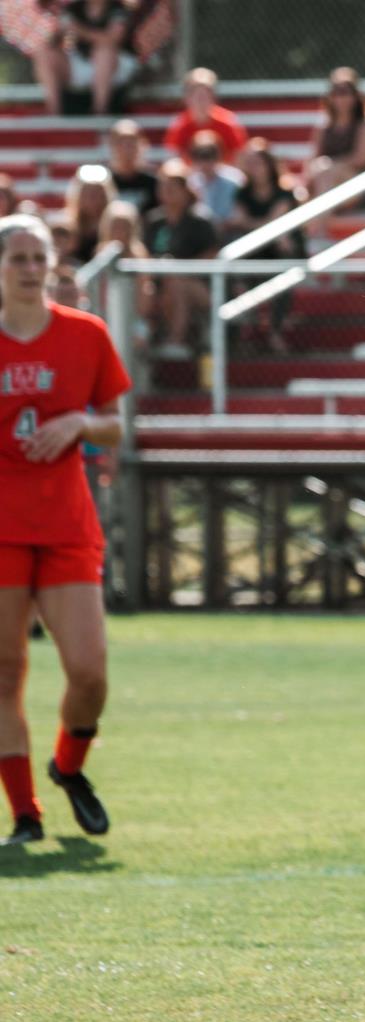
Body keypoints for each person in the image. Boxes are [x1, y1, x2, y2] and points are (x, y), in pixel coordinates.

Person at [0, 213, 132, 848]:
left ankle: (69, 767)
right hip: (1, 526)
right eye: (17, 258)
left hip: (66, 523)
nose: (29, 269)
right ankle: (26, 815)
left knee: (90, 671)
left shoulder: (85, 335)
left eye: (37, 257)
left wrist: (78, 424)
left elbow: (115, 424)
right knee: (5, 671)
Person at [228, 140, 304, 351]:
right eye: (250, 163)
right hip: (257, 249)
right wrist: (262, 226)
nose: (254, 168)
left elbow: (271, 225)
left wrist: (251, 224)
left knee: (284, 273)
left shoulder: (285, 192)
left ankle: (274, 332)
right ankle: (246, 330)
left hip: (283, 252)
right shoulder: (242, 193)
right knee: (237, 275)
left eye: (258, 163)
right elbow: (254, 224)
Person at [143, 162, 219, 358]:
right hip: (158, 285)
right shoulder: (154, 221)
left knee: (176, 282)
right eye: (164, 187)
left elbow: (211, 256)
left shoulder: (200, 221)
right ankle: (142, 338)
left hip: (201, 288)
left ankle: (176, 339)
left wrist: (179, 268)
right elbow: (144, 253)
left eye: (173, 187)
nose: (167, 192)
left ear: (186, 191)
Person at [37, 0, 137, 116]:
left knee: (104, 52)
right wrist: (58, 26)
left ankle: (100, 111)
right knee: (44, 53)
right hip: (82, 63)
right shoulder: (72, 9)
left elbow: (113, 39)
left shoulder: (119, 10)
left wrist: (80, 31)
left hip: (114, 66)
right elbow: (53, 43)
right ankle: (53, 112)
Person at [304, 67, 365, 201]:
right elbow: (312, 159)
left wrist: (329, 165)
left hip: (361, 187)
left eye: (346, 92)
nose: (341, 98)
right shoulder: (324, 126)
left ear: (356, 95)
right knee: (320, 178)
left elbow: (359, 160)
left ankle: (318, 211)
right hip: (327, 184)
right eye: (336, 92)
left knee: (326, 172)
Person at [165, 68, 249, 166]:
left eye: (205, 95)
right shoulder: (179, 125)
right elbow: (174, 159)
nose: (201, 101)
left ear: (213, 97)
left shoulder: (228, 123)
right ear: (187, 98)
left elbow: (239, 157)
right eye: (196, 95)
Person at [186, 130, 243, 222]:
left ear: (218, 155)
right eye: (199, 155)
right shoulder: (190, 182)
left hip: (232, 232)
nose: (205, 162)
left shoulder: (235, 179)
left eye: (209, 155)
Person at [106, 120, 159, 216]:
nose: (127, 149)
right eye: (121, 143)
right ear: (112, 146)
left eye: (131, 143)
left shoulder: (153, 183)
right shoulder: (105, 182)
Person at [65, 164, 113, 260]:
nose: (93, 198)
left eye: (97, 192)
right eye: (88, 192)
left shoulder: (114, 224)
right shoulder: (67, 225)